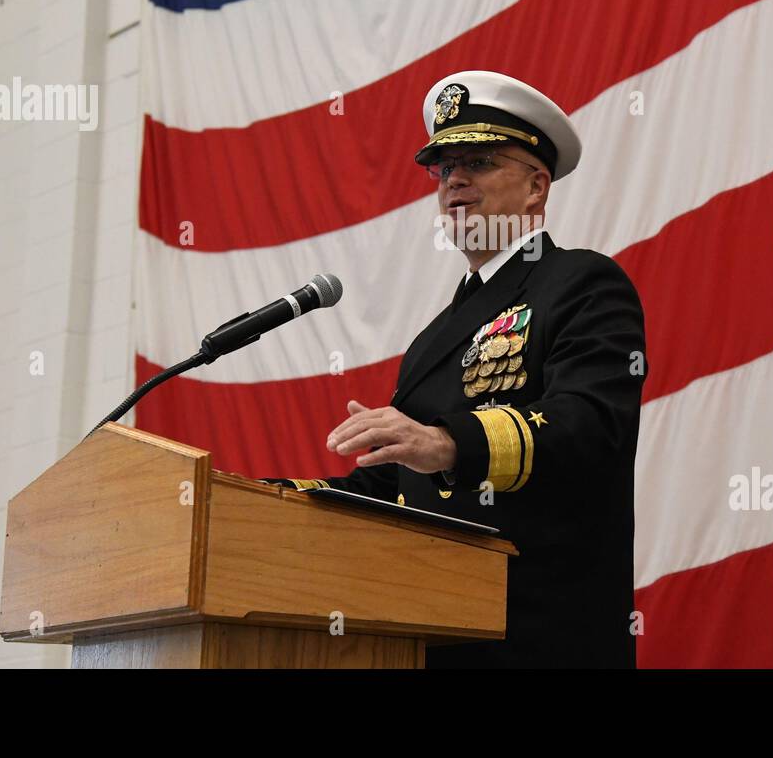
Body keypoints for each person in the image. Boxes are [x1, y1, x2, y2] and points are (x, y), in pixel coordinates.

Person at [265, 70, 647, 668]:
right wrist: (272, 502)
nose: (455, 181)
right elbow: (393, 486)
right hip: (432, 643)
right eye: (444, 169)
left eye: (480, 161)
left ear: (536, 187)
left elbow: (590, 426)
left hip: (542, 639)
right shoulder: (430, 341)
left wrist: (448, 441)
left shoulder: (582, 282)